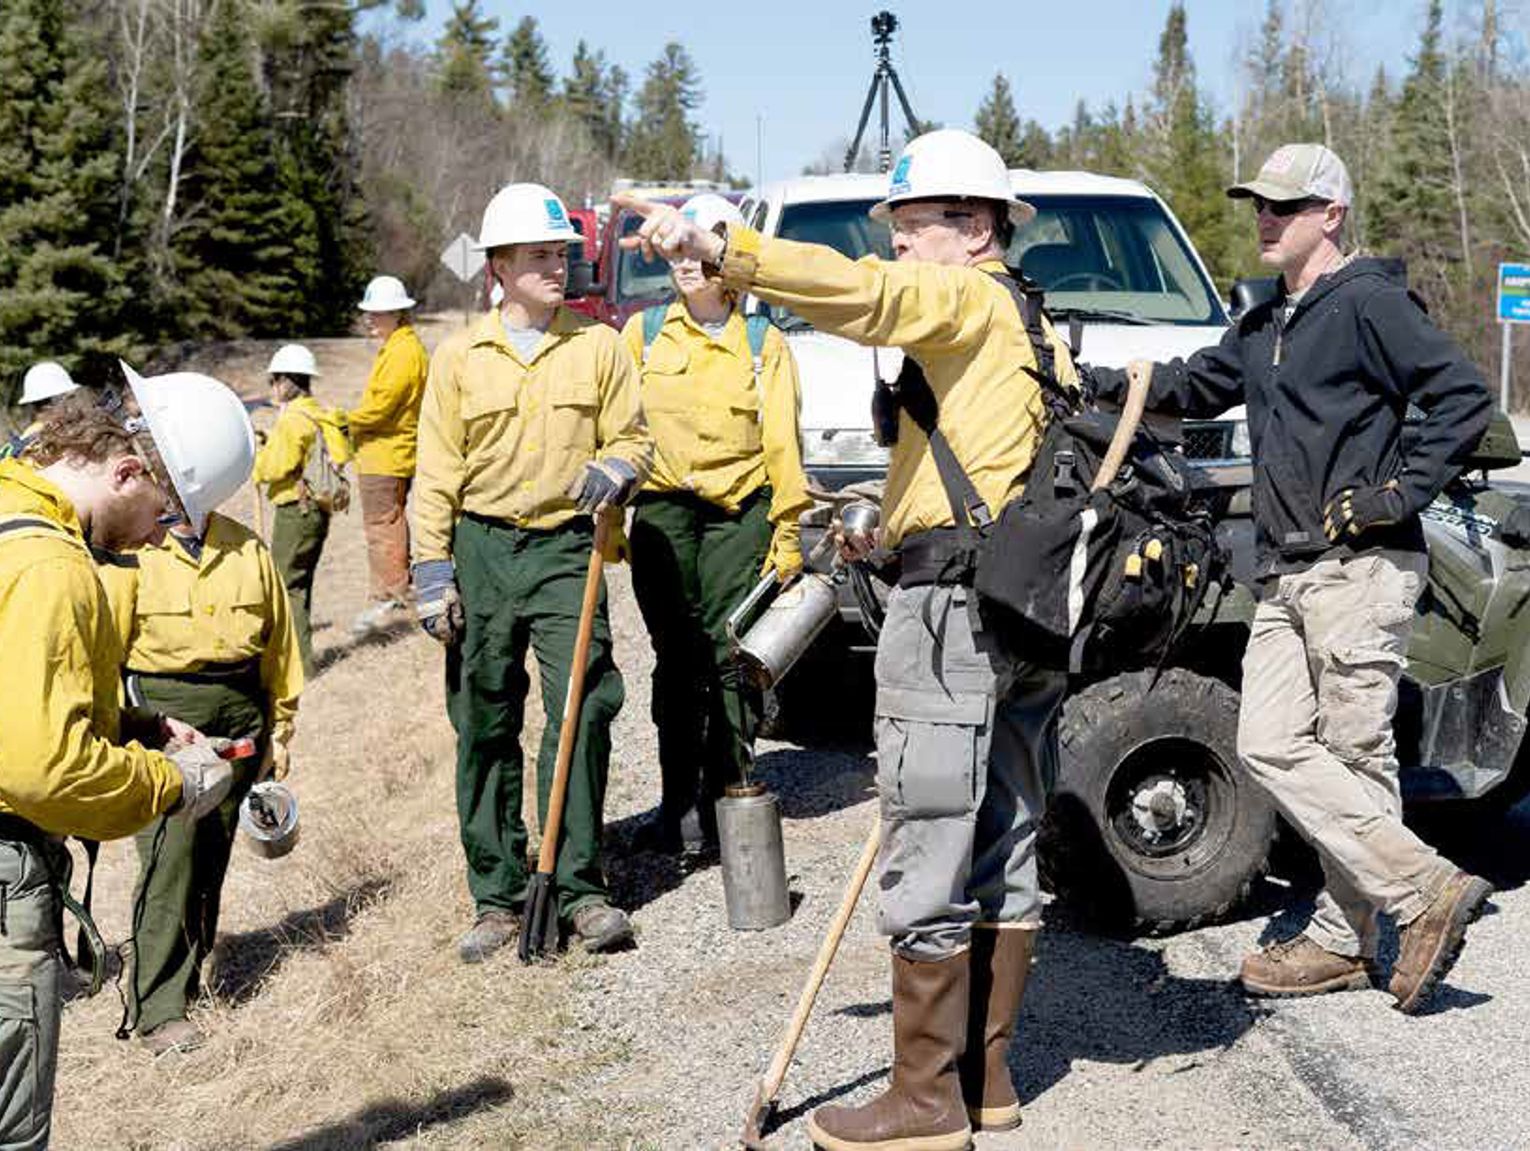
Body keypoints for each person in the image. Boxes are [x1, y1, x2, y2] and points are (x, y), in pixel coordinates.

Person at [617, 128, 1077, 1149]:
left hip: (954, 614)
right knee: (1005, 834)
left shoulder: (958, 299)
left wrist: (724, 246)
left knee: (927, 836)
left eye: (911, 230)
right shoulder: (1035, 320)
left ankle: (921, 1103)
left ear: (974, 228)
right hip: (1024, 609)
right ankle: (984, 1078)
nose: (900, 249)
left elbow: (861, 296)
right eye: (900, 233)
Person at [1084, 144, 1494, 1014]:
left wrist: (1394, 496)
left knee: (1355, 752)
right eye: (1259, 205)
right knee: (1269, 741)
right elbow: (1196, 386)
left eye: (1283, 206)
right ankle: (1421, 886)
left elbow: (1463, 397)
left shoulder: (1371, 304)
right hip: (1284, 569)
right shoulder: (1269, 323)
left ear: (1330, 214)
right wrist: (1097, 386)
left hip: (1361, 568)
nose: (1264, 218)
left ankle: (1350, 939)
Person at [0, 366, 250, 1148]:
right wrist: (167, 782)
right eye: (165, 514)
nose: (158, 537)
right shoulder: (53, 567)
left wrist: (131, 728)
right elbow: (46, 770)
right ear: (128, 470)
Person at [412, 182, 653, 962]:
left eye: (562, 253)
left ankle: (578, 887)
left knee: (583, 705)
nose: (560, 266)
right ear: (501, 266)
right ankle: (498, 894)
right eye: (542, 255)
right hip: (481, 549)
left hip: (564, 552)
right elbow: (436, 472)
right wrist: (430, 570)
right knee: (483, 720)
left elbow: (635, 437)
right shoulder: (458, 359)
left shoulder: (598, 347)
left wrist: (619, 465)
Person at [621, 192, 811, 856]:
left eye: (700, 249)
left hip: (740, 512)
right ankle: (679, 807)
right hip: (665, 513)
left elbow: (784, 445)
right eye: (677, 250)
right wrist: (613, 517)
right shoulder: (641, 335)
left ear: (725, 256)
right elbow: (620, 430)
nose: (688, 264)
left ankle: (734, 797)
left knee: (731, 656)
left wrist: (787, 533)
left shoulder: (765, 344)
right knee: (676, 660)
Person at [101, 441, 303, 1053]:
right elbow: (106, 652)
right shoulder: (132, 554)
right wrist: (124, 732)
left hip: (242, 707)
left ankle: (192, 978)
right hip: (170, 714)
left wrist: (280, 733)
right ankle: (159, 1008)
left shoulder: (246, 545)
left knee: (212, 854)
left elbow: (281, 649)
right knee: (169, 857)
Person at [252, 344, 352, 677]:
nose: (272, 387)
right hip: (315, 511)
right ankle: (300, 662)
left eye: (273, 380)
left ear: (284, 381)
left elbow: (276, 466)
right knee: (299, 584)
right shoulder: (313, 410)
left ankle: (298, 666)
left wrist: (257, 463)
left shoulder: (294, 419)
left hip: (297, 511)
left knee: (285, 588)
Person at [349, 275, 430, 635]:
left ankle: (392, 596)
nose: (370, 319)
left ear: (397, 313)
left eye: (377, 313)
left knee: (383, 525)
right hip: (385, 452)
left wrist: (344, 422)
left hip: (386, 454)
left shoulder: (403, 352)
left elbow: (381, 408)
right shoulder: (400, 347)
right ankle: (391, 591)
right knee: (387, 522)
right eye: (369, 312)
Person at [2, 361, 81, 459]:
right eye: (69, 398)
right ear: (52, 403)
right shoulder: (50, 440)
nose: (72, 405)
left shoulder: (27, 437)